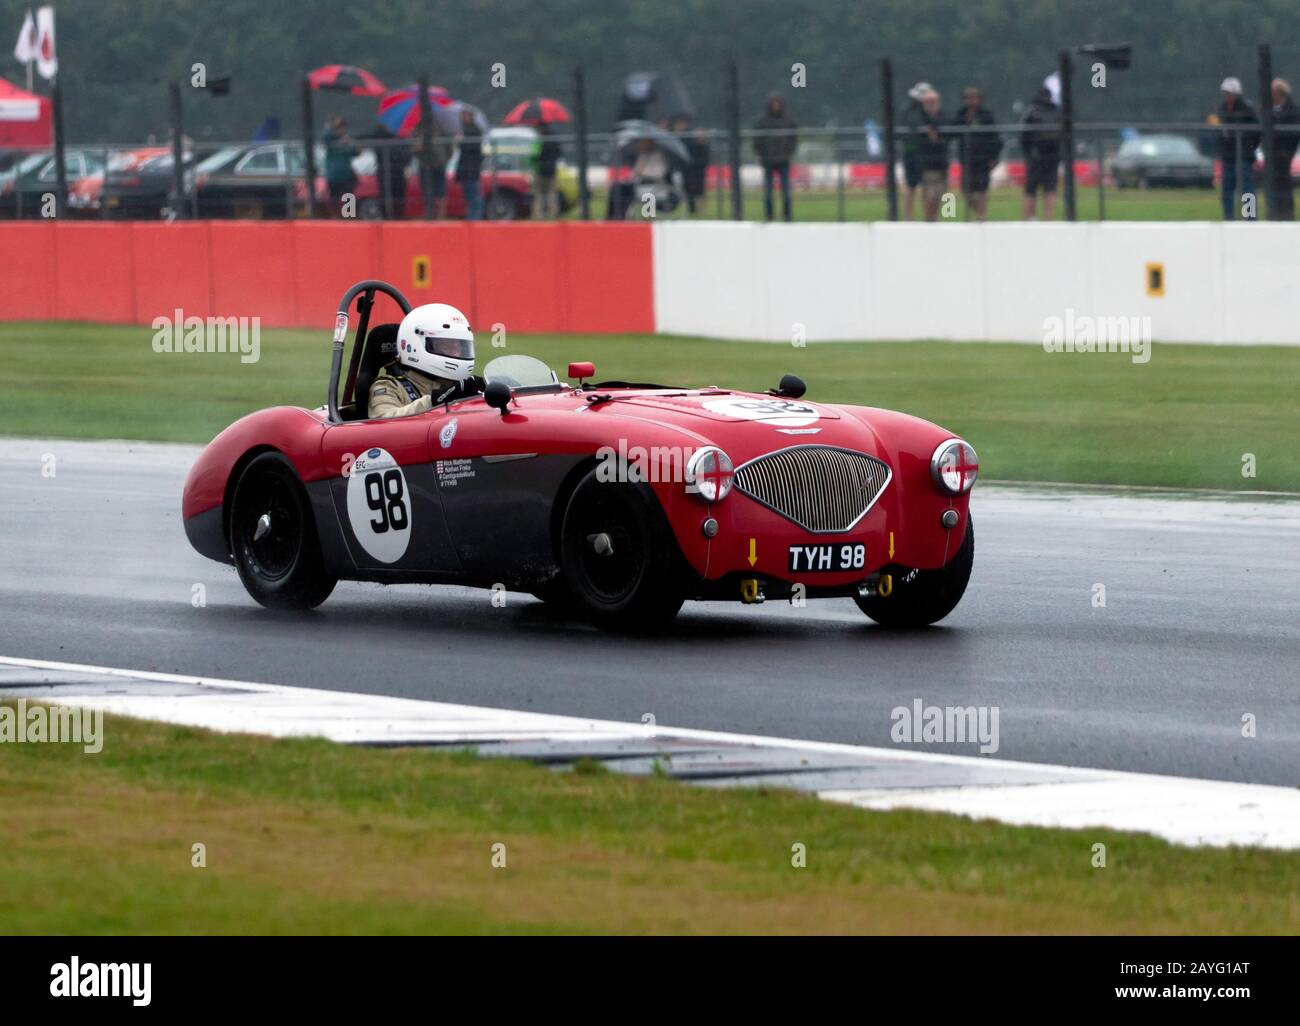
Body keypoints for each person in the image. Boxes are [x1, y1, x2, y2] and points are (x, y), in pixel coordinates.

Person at [368, 303, 483, 419]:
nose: (456, 354)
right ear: (414, 345)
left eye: (460, 348)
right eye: (447, 346)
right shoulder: (389, 386)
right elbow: (382, 421)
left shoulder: (461, 388)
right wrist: (434, 401)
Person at [1208, 77, 1259, 220]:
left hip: (1243, 156)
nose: (1227, 96)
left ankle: (1249, 218)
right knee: (1227, 190)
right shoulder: (1223, 108)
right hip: (1228, 156)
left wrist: (1248, 147)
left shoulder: (1247, 109)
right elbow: (1220, 131)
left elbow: (1256, 132)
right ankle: (1229, 218)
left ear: (1237, 94)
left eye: (1229, 93)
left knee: (1247, 190)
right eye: (1225, 93)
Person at [951, 86, 1001, 221]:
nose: (972, 101)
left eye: (975, 98)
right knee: (966, 190)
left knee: (982, 189)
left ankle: (981, 216)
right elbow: (952, 132)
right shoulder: (961, 115)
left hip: (983, 159)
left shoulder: (986, 115)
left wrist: (994, 157)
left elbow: (995, 137)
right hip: (967, 159)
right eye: (969, 98)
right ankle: (978, 210)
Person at [753, 93, 798, 221]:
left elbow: (793, 138)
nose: (776, 106)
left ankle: (787, 215)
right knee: (768, 192)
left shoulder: (788, 121)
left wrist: (789, 151)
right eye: (774, 104)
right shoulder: (762, 122)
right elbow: (757, 141)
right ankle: (769, 215)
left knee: (785, 192)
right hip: (768, 160)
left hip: (783, 159)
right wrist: (761, 154)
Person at [1020, 87, 1061, 220]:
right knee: (1050, 188)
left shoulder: (1032, 111)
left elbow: (1023, 135)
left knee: (1030, 189)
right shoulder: (1057, 111)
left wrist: (1027, 154)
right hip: (1053, 155)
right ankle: (1048, 218)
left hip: (1035, 155)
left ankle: (1029, 217)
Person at [900, 82, 931, 220]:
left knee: (927, 187)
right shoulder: (910, 111)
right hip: (912, 152)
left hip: (925, 153)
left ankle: (928, 215)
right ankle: (908, 216)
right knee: (911, 186)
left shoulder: (930, 111)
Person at [1268, 78, 1298, 221]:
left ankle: (1286, 214)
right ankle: (1275, 213)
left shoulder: (1292, 111)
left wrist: (1285, 152)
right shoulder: (1273, 110)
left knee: (1284, 186)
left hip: (1284, 154)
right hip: (1274, 154)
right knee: (1274, 186)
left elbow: (1292, 134)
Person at [915, 89, 948, 221]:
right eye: (928, 102)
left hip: (942, 162)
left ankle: (936, 217)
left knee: (942, 194)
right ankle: (928, 218)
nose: (931, 104)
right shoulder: (918, 117)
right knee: (929, 193)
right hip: (926, 163)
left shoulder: (943, 116)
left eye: (933, 101)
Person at [367, 122, 409, 220]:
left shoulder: (399, 139)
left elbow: (407, 157)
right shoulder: (393, 139)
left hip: (394, 172)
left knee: (395, 196)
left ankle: (393, 216)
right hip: (390, 172)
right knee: (391, 196)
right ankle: (391, 216)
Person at [322, 117, 358, 217]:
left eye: (342, 127)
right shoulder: (330, 140)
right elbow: (325, 137)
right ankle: (336, 217)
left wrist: (350, 142)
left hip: (346, 176)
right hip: (334, 176)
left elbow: (356, 152)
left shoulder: (347, 142)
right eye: (338, 128)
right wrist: (329, 128)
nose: (341, 130)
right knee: (334, 200)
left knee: (348, 198)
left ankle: (349, 216)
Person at [675, 116, 710, 215]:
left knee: (700, 190)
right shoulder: (686, 140)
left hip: (698, 170)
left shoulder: (701, 145)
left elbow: (705, 158)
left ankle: (701, 210)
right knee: (689, 190)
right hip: (689, 170)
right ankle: (691, 209)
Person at [456, 108, 485, 221]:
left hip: (471, 168)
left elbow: (471, 148)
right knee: (469, 194)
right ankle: (472, 216)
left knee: (473, 194)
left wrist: (461, 141)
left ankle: (475, 217)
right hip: (467, 168)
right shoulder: (465, 130)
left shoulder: (474, 131)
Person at [533, 122, 561, 219]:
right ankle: (553, 212)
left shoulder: (539, 140)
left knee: (539, 193)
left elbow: (535, 155)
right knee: (551, 192)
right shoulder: (554, 138)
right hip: (552, 168)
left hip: (540, 169)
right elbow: (559, 153)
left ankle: (539, 213)